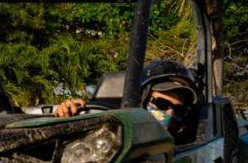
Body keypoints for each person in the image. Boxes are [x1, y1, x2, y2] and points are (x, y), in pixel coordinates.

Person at [52, 59, 200, 143]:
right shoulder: (111, 128)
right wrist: (67, 115)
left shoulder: (180, 145)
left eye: (179, 110)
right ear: (142, 98)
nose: (171, 113)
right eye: (162, 104)